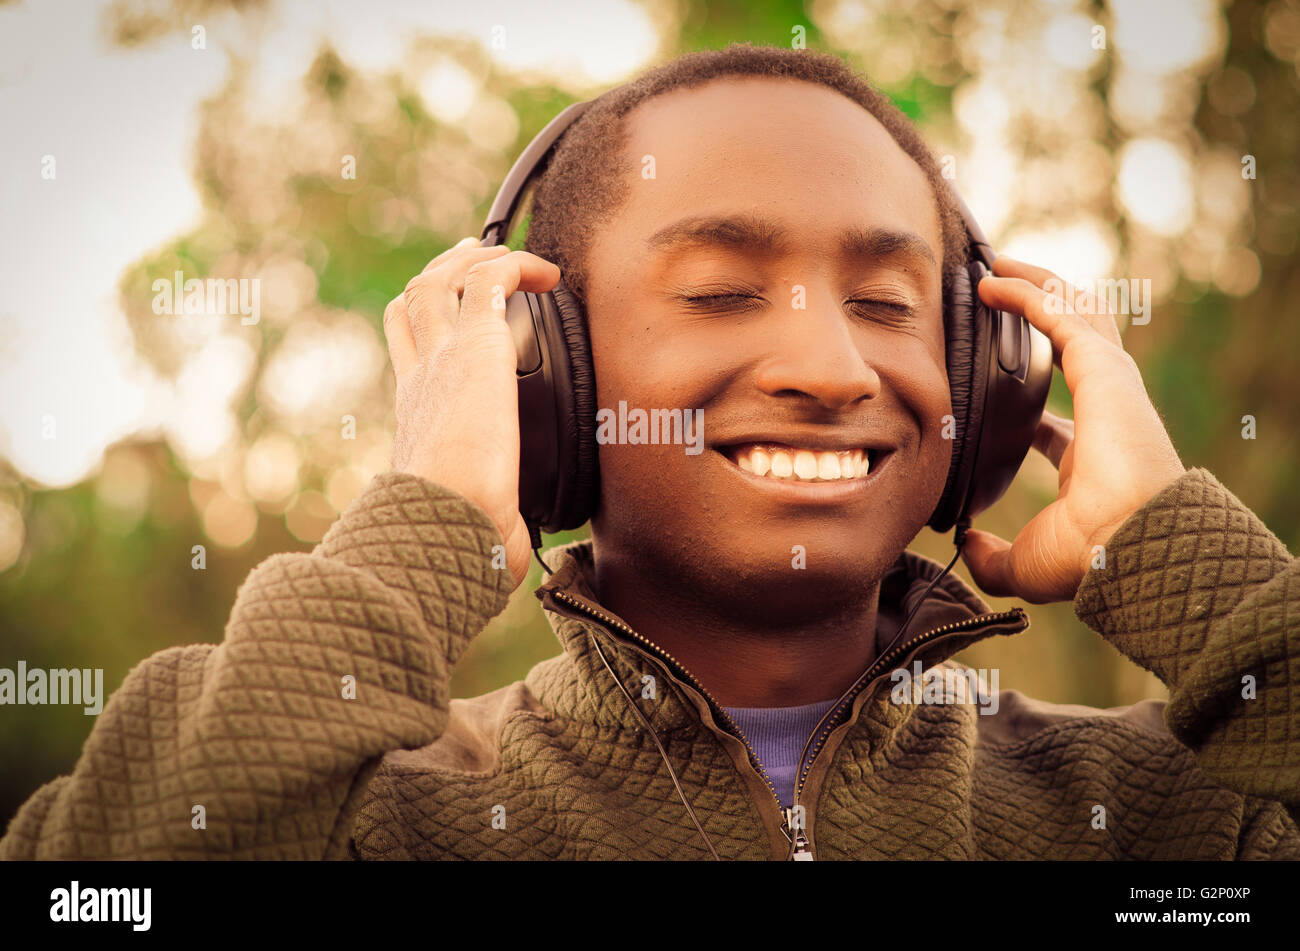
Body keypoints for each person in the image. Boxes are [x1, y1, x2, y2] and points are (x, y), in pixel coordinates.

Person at [3, 44, 1296, 861]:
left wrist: (1186, 565)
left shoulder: (1177, 819)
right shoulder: (380, 825)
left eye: (891, 306)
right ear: (537, 370)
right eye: (723, 292)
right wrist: (422, 534)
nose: (832, 368)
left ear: (990, 379)